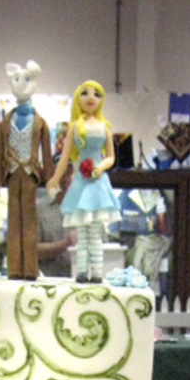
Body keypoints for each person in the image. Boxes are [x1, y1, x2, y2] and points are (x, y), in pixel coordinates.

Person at [47, 80, 118, 283]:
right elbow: (65, 157)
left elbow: (111, 157)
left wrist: (100, 167)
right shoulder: (74, 128)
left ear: (101, 100)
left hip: (97, 182)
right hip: (80, 181)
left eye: (96, 94)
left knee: (95, 231)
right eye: (85, 93)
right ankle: (81, 272)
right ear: (78, 97)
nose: (90, 97)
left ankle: (96, 272)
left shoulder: (105, 127)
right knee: (82, 232)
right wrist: (55, 178)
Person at [0, 60, 53, 280]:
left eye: (26, 80)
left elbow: (46, 153)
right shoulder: (6, 122)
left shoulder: (40, 123)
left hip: (30, 175)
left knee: (29, 224)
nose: (22, 84)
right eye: (18, 80)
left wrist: (51, 181)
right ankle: (15, 268)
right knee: (13, 223)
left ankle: (29, 268)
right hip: (12, 175)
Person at [35, 162, 75, 277]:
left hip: (83, 283)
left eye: (69, 174)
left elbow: (105, 248)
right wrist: (65, 244)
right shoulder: (40, 209)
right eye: (61, 174)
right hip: (49, 282)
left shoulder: (88, 209)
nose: (66, 179)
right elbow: (32, 250)